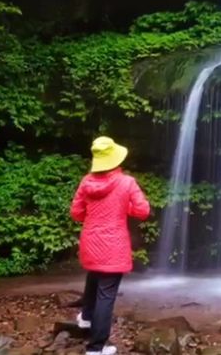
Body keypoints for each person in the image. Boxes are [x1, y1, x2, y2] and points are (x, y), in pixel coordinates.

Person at [70, 136, 150, 355]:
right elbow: (143, 211)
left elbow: (76, 213)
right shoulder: (127, 183)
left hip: (91, 240)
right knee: (106, 296)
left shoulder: (86, 182)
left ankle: (86, 318)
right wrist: (125, 209)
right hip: (113, 245)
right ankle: (96, 348)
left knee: (94, 275)